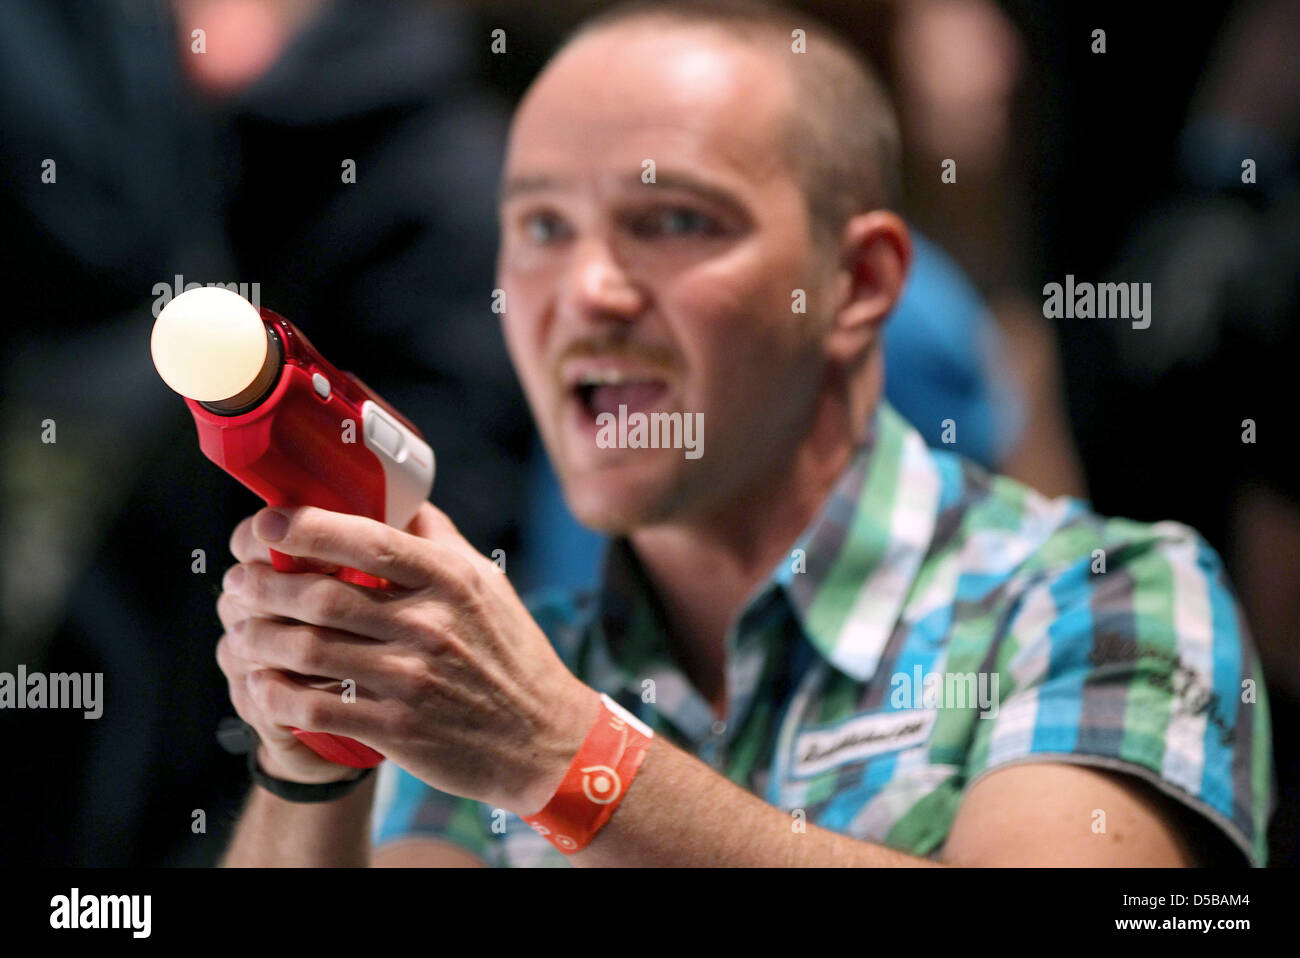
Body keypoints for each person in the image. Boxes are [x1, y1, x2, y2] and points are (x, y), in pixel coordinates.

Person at [214, 0, 1272, 867]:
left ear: (857, 284)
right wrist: (310, 751)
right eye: (540, 226)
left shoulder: (1103, 595)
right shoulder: (500, 667)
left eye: (673, 219)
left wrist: (562, 755)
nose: (586, 288)